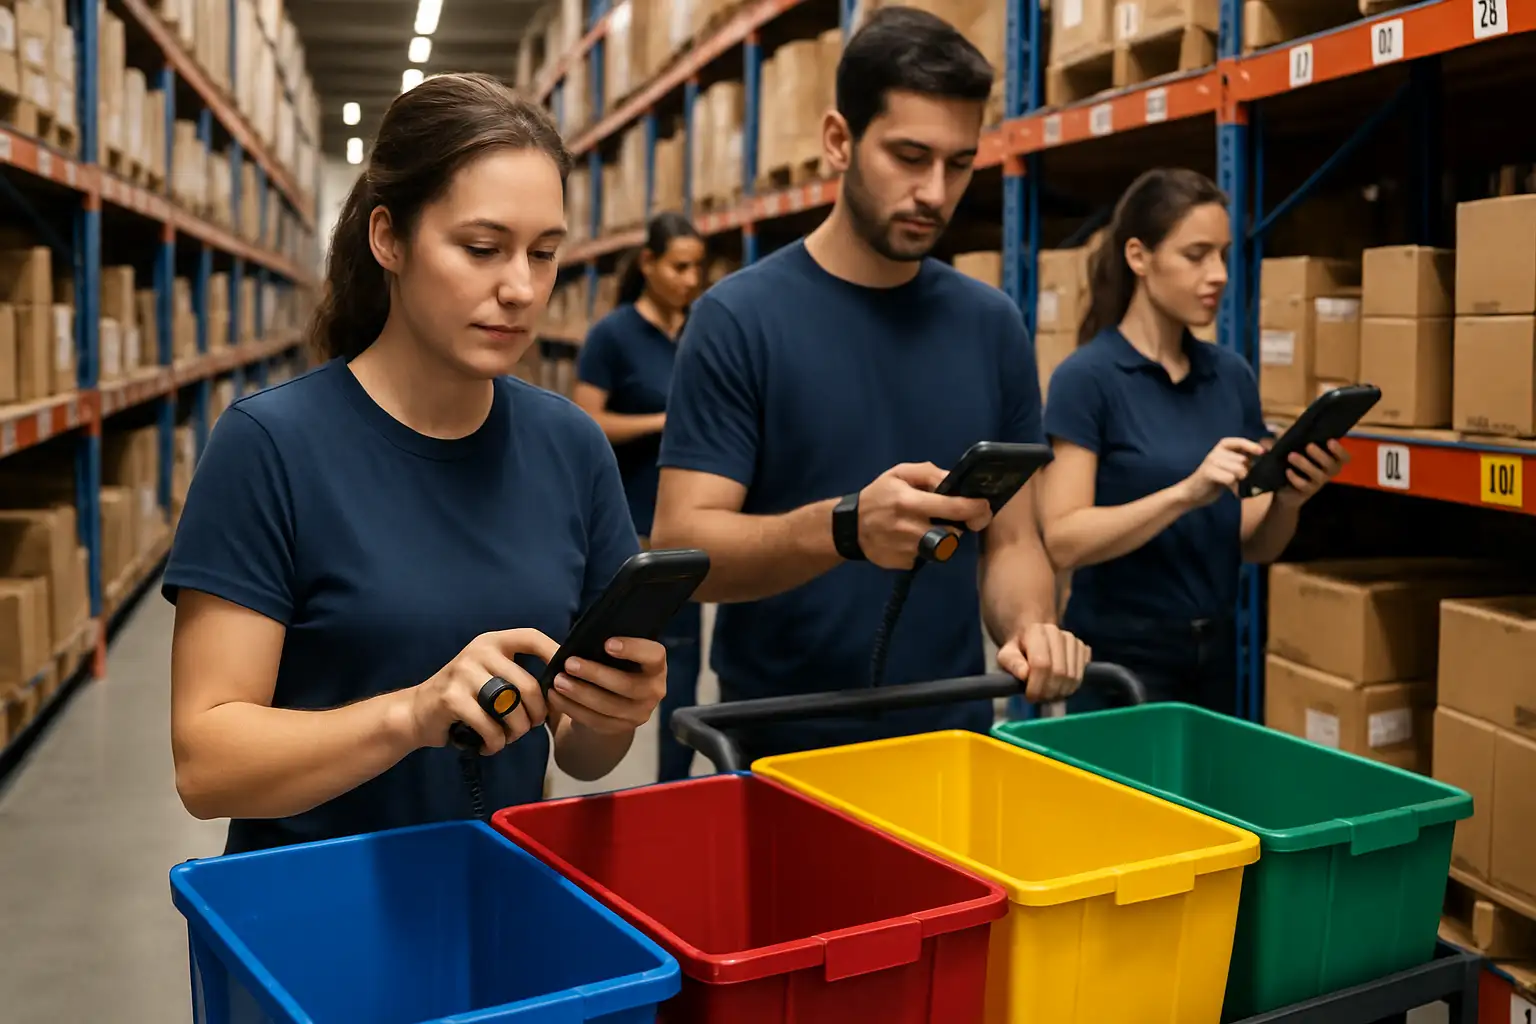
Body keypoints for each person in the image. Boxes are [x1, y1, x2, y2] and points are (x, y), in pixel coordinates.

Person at [163, 73, 667, 854]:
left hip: (502, 895)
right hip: (311, 920)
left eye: (544, 254)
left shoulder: (572, 447)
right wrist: (411, 716)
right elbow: (207, 765)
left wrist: (614, 710)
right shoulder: (271, 446)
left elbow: (577, 750)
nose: (520, 288)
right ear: (388, 238)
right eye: (481, 248)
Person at [651, 7, 1089, 762]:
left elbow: (1014, 541)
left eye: (958, 163)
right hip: (780, 746)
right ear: (838, 141)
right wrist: (845, 528)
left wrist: (1029, 627)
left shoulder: (992, 325)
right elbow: (685, 546)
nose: (934, 191)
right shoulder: (737, 319)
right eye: (909, 156)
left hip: (948, 735)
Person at [1037, 168, 1348, 714]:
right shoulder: (1088, 378)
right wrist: (1187, 492)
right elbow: (1063, 539)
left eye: (1224, 255)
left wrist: (1290, 499)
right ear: (1139, 256)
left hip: (1216, 655)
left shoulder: (1230, 376)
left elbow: (1253, 543)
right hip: (1121, 661)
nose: (1220, 274)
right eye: (1196, 254)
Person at [573, 212, 706, 782]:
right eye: (679, 266)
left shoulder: (702, 331)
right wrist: (664, 420)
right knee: (632, 677)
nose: (690, 279)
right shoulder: (613, 336)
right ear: (648, 264)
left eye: (699, 267)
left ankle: (673, 786)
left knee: (685, 677)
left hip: (689, 533)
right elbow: (586, 421)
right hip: (637, 533)